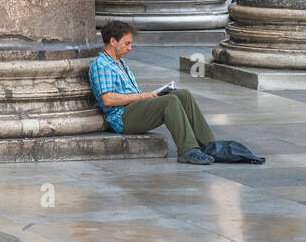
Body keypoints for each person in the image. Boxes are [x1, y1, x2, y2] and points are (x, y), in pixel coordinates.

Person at [89, 20, 217, 164]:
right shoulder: (102, 65)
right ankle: (187, 150)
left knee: (183, 94)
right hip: (122, 118)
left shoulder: (120, 62)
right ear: (113, 41)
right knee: (170, 101)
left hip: (134, 108)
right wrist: (143, 96)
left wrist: (150, 96)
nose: (130, 48)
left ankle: (210, 145)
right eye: (127, 43)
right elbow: (108, 99)